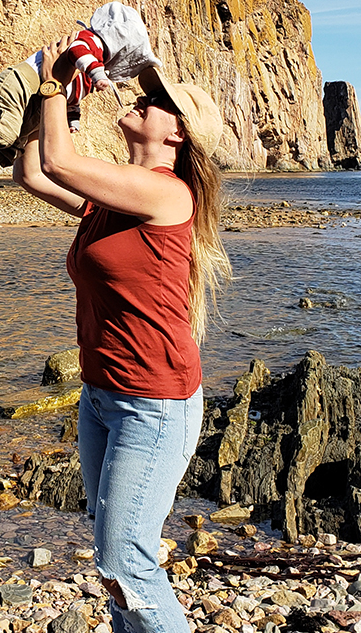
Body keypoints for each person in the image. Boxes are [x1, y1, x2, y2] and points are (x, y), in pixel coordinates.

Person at [15, 36, 231, 633]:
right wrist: (52, 102)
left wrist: (57, 82)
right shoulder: (107, 200)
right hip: (102, 396)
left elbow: (59, 162)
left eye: (158, 99)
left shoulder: (166, 194)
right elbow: (32, 171)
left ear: (177, 135)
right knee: (116, 565)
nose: (141, 94)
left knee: (124, 560)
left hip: (154, 404)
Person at [0, 2, 161, 189]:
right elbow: (77, 50)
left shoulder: (90, 70)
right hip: (22, 85)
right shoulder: (92, 43)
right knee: (3, 134)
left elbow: (74, 97)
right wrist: (93, 72)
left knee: (13, 149)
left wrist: (72, 118)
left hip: (38, 101)